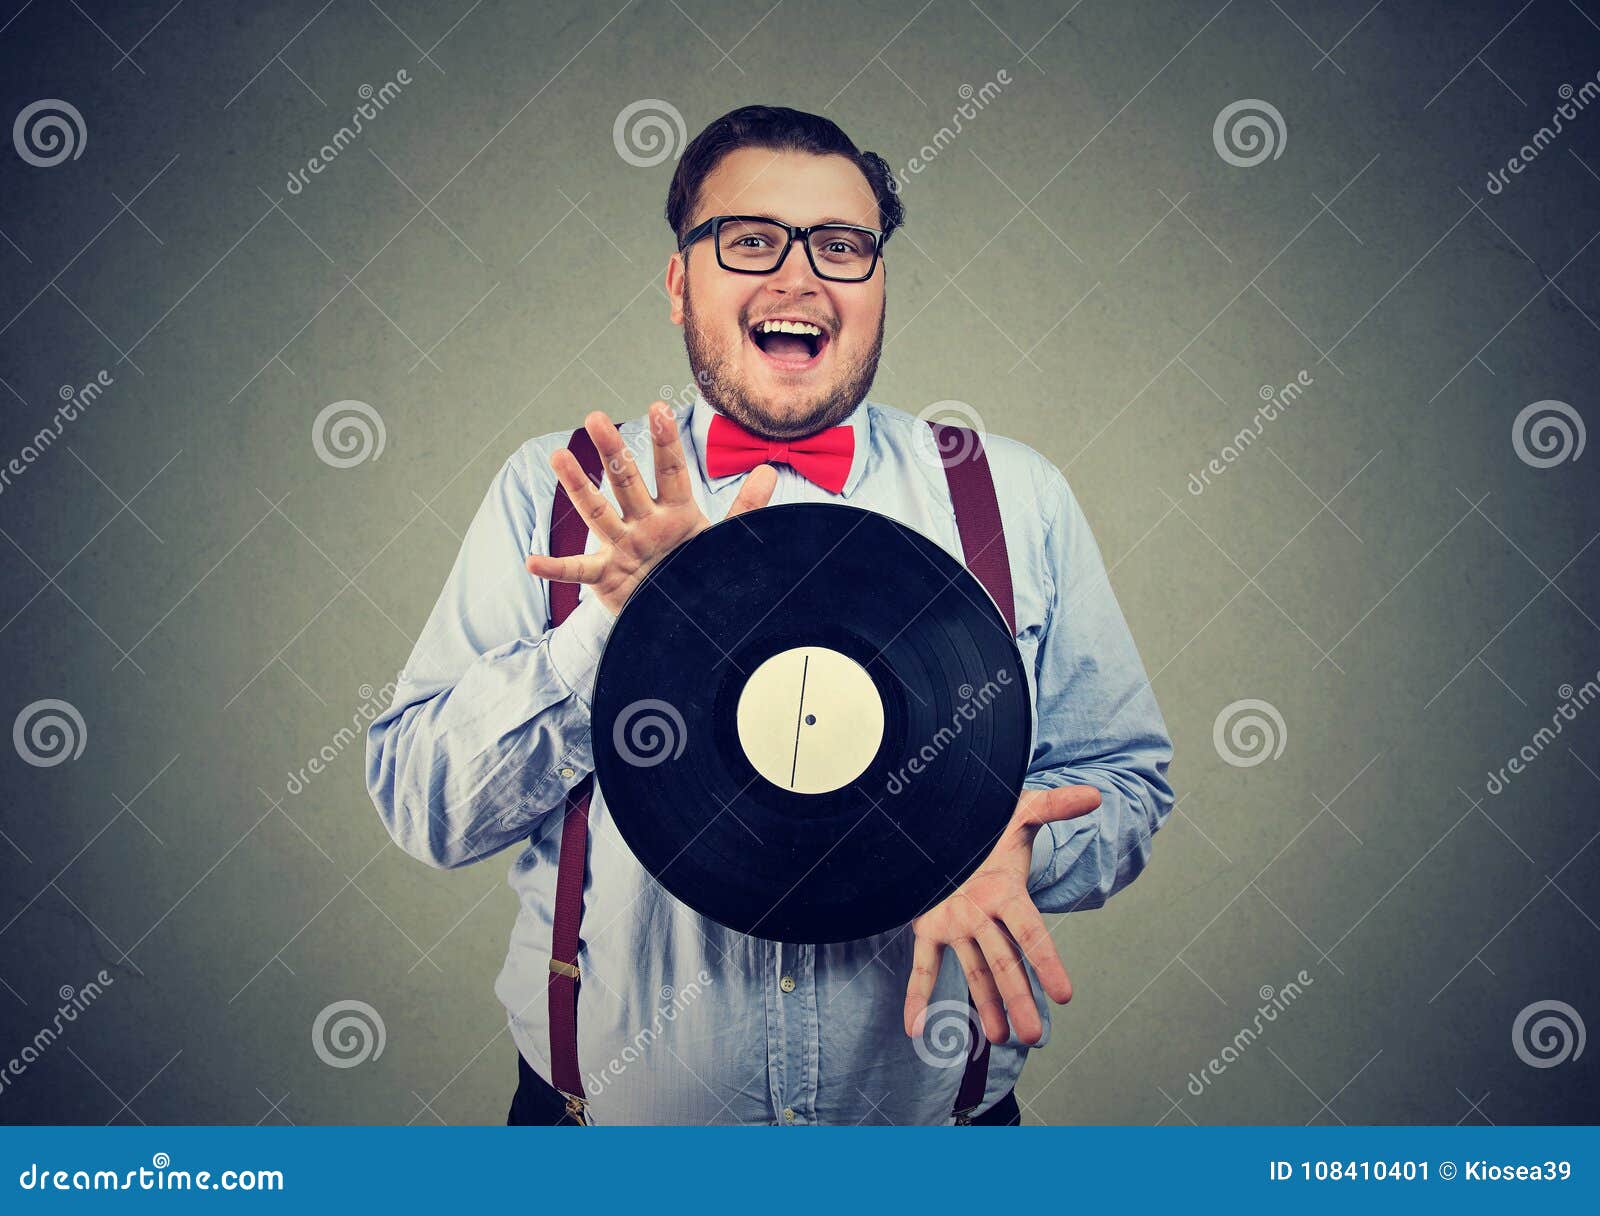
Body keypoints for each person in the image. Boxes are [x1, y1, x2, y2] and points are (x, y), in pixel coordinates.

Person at [364, 104, 1174, 1126]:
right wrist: (604, 636)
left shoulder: (1009, 497)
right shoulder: (558, 489)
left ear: (879, 284)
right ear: (678, 282)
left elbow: (1125, 780)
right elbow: (422, 805)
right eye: (750, 241)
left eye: (842, 246)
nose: (798, 278)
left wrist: (1012, 845)